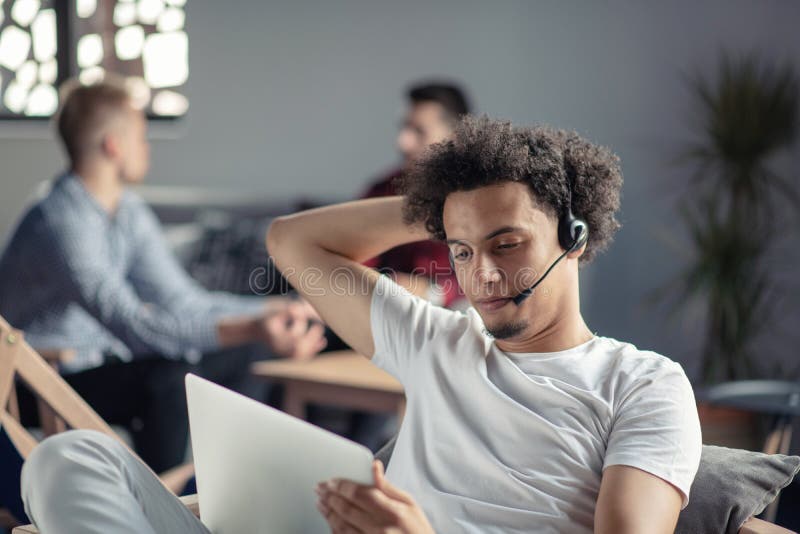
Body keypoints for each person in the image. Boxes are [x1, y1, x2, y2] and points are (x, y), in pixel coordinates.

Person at [20, 116, 701, 533]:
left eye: (508, 242)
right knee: (70, 456)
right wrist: (443, 206)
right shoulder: (437, 338)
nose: (483, 274)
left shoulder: (641, 384)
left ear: (575, 236)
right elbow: (291, 245)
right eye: (462, 250)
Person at [0, 79, 326, 473]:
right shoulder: (60, 221)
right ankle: (157, 515)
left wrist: (276, 309)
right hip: (38, 383)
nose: (147, 147)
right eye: (140, 136)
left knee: (251, 352)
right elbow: (135, 326)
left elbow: (183, 300)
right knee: (168, 378)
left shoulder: (128, 212)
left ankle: (226, 483)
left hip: (95, 368)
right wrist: (252, 325)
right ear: (113, 145)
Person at [360, 81, 471, 307]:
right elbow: (357, 260)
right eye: (403, 128)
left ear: (456, 138)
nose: (402, 142)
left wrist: (435, 292)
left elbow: (499, 271)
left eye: (418, 131)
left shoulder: (481, 196)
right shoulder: (383, 190)